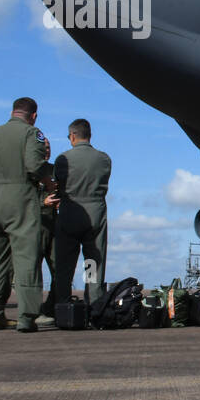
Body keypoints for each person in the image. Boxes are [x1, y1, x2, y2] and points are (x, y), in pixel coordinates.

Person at [0, 97, 46, 332]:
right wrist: (49, 176)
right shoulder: (32, 134)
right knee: (26, 257)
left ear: (12, 111)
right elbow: (34, 166)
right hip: (21, 198)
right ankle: (26, 317)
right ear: (33, 115)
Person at [53, 118, 112, 310]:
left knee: (65, 265)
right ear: (90, 135)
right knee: (92, 262)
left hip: (70, 211)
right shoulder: (104, 159)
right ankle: (93, 303)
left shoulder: (63, 159)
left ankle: (62, 305)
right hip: (95, 214)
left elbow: (58, 187)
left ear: (72, 136)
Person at [33, 129, 59, 325]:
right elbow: (21, 199)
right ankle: (33, 311)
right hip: (35, 225)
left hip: (54, 225)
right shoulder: (30, 171)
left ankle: (50, 307)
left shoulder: (54, 171)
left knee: (60, 268)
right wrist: (43, 202)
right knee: (33, 271)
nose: (47, 150)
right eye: (43, 147)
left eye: (49, 147)